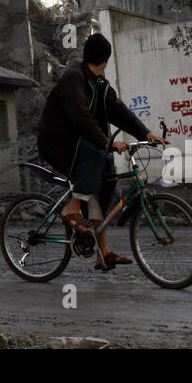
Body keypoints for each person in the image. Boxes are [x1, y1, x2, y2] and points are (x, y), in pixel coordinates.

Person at [37, 33, 168, 270]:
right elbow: (80, 118)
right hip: (58, 143)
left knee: (105, 184)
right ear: (105, 60)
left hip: (81, 143)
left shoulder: (99, 85)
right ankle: (72, 208)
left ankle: (103, 253)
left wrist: (145, 134)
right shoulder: (73, 78)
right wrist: (106, 143)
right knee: (98, 154)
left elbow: (119, 111)